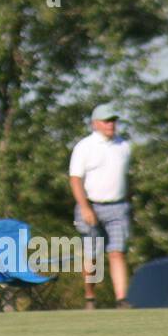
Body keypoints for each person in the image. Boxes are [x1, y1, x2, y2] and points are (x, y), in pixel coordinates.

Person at [69, 103, 133, 309]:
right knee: (92, 255)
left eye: (113, 120)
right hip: (91, 206)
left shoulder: (123, 146)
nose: (111, 124)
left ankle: (121, 299)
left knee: (117, 252)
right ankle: (90, 297)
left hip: (118, 206)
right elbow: (75, 179)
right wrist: (85, 207)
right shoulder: (84, 147)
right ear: (95, 123)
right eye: (106, 121)